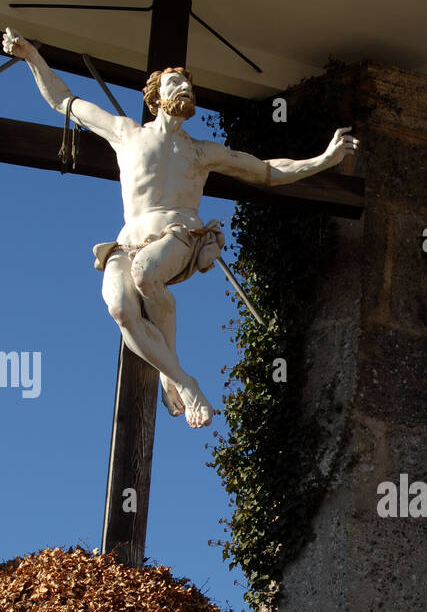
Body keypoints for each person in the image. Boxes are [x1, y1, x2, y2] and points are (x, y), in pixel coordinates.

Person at [1, 30, 358, 428]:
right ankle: (180, 379)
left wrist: (324, 160)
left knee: (145, 274)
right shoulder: (125, 133)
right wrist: (31, 55)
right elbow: (65, 101)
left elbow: (267, 171)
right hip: (126, 242)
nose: (185, 88)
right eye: (175, 83)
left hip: (178, 235)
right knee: (120, 307)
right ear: (154, 97)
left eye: (188, 85)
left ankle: (183, 385)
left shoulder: (201, 152)